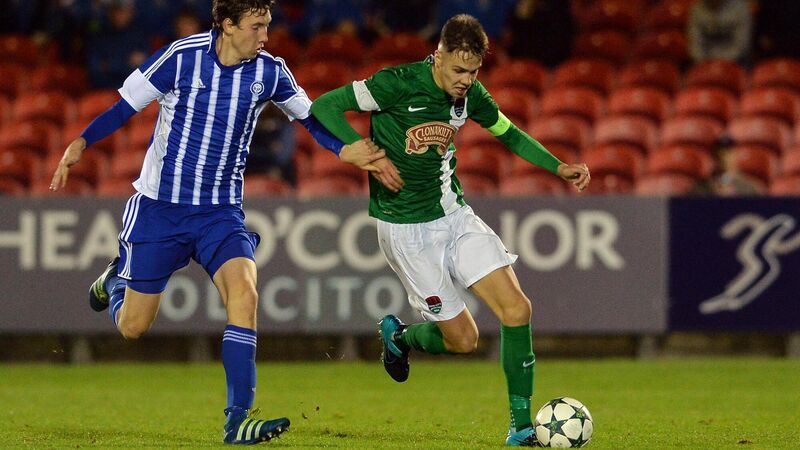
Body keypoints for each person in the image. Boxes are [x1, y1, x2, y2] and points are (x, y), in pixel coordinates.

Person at [49, 0, 401, 445]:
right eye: (257, 26)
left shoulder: (270, 71)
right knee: (133, 327)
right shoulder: (182, 57)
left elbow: (310, 118)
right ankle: (117, 281)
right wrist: (81, 142)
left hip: (221, 213)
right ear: (228, 25)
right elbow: (124, 107)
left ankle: (237, 420)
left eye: (268, 25)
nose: (265, 36)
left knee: (245, 292)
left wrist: (343, 150)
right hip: (161, 209)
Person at [311, 14, 589, 447]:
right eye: (458, 70)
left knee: (517, 310)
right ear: (437, 56)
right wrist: (362, 152)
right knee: (463, 341)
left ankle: (520, 427)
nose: (465, 80)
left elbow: (509, 134)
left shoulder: (470, 96)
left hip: (454, 216)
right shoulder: (396, 83)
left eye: (473, 71)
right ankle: (400, 337)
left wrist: (559, 167)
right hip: (405, 231)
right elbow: (324, 106)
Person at [691, 135, 764, 196]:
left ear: (736, 156)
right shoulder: (701, 187)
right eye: (720, 154)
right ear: (713, 156)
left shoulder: (748, 187)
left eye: (729, 154)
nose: (725, 158)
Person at [687, 0, 753, 66]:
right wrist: (702, 62)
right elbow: (694, 42)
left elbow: (740, 46)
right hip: (704, 61)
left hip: (735, 62)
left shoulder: (741, 8)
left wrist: (718, 63)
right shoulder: (697, 8)